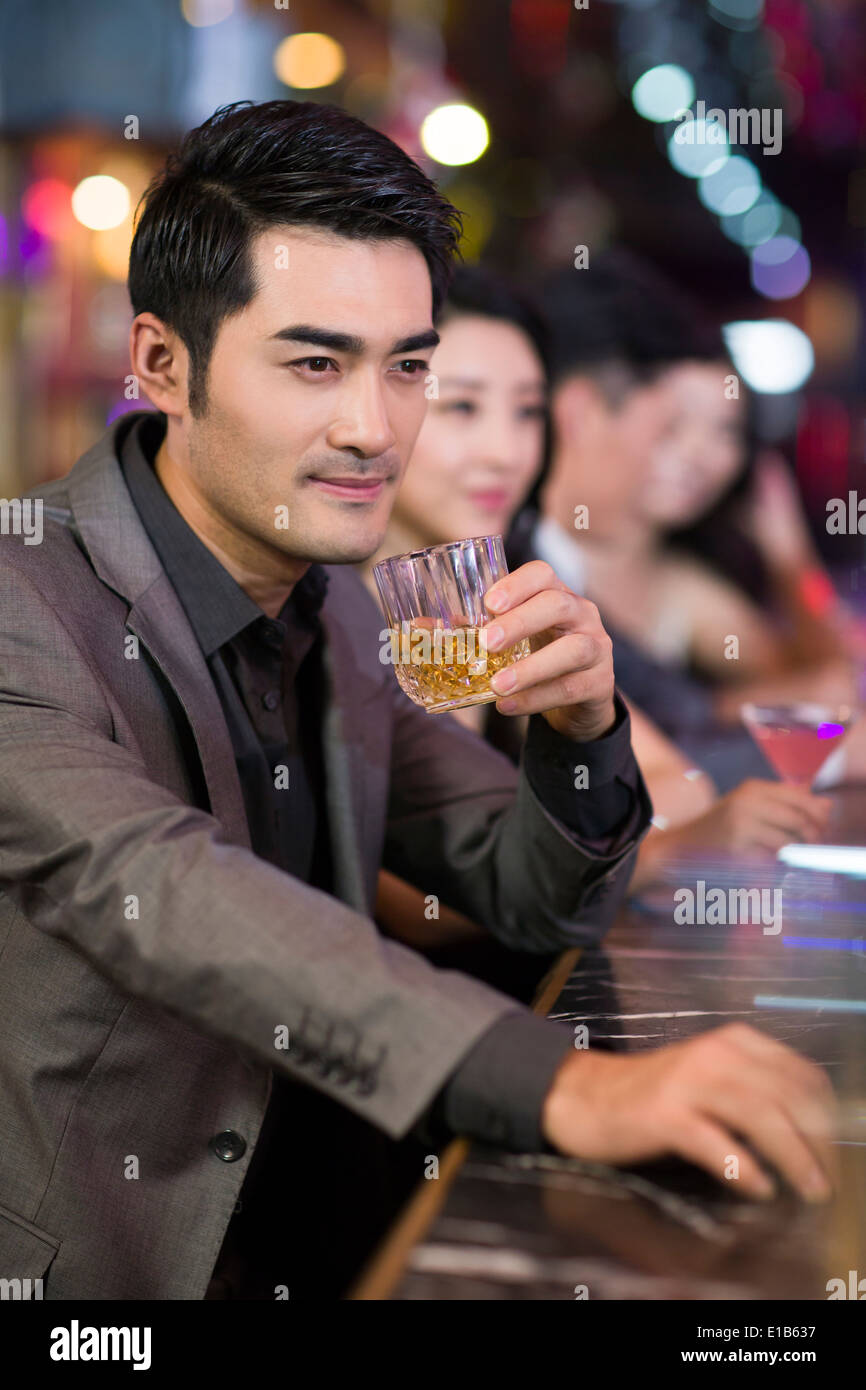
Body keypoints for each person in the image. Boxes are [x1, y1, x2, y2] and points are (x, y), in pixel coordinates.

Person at [0, 103, 836, 1304]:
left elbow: (524, 888)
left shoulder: (336, 609)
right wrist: (565, 1081)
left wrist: (582, 728)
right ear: (159, 364)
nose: (373, 428)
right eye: (313, 363)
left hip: (331, 1234)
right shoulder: (24, 598)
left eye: (406, 368)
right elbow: (182, 897)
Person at [361, 265, 832, 918]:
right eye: (462, 407)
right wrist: (663, 854)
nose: (506, 451)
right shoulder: (327, 614)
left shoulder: (508, 599)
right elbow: (424, 908)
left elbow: (680, 784)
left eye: (527, 412)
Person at [536, 252, 859, 725]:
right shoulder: (524, 552)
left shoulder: (679, 585)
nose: (701, 455)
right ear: (581, 411)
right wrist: (758, 707)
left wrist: (789, 553)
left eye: (727, 431)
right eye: (676, 423)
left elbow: (836, 686)